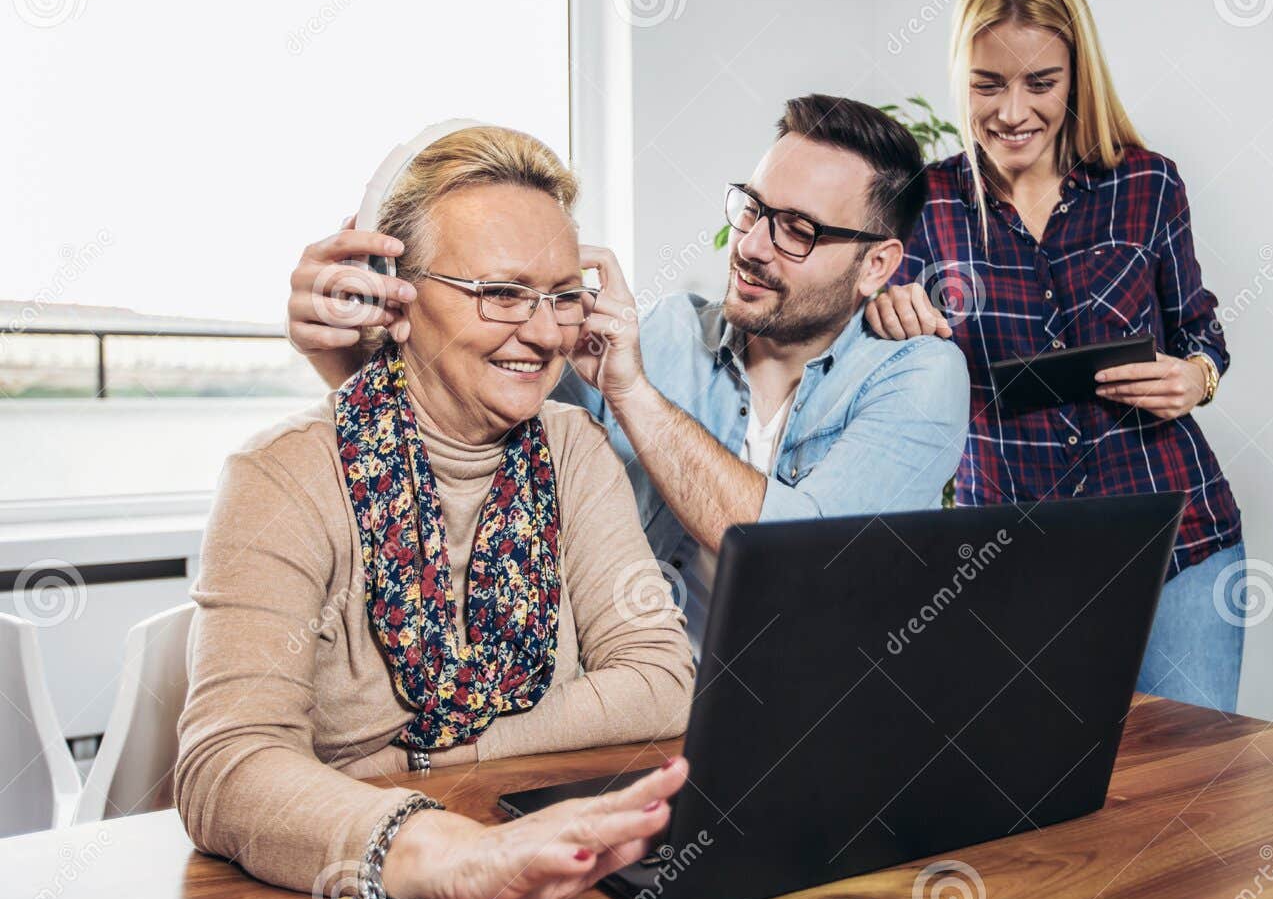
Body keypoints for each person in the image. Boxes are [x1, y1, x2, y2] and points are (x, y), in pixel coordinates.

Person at [177, 125, 695, 899]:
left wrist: (417, 757)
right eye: (502, 293)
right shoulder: (281, 475)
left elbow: (660, 682)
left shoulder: (576, 450)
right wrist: (439, 849)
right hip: (344, 891)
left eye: (561, 294)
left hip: (535, 852)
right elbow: (229, 763)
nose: (547, 330)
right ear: (396, 301)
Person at [291, 95, 971, 648]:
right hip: (640, 701)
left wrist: (632, 392)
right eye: (754, 208)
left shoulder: (918, 374)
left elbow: (803, 554)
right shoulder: (673, 329)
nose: (753, 246)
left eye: (798, 230)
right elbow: (473, 434)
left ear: (878, 265)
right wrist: (342, 347)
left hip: (814, 716)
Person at [865, 0, 1248, 713]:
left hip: (1176, 542)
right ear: (960, 76)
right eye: (987, 84)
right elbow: (862, 356)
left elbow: (1203, 333)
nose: (1013, 112)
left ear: (1078, 76)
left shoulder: (1148, 184)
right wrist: (880, 313)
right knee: (1041, 810)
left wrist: (1194, 377)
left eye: (1041, 83)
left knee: (1190, 798)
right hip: (1010, 561)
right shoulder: (924, 203)